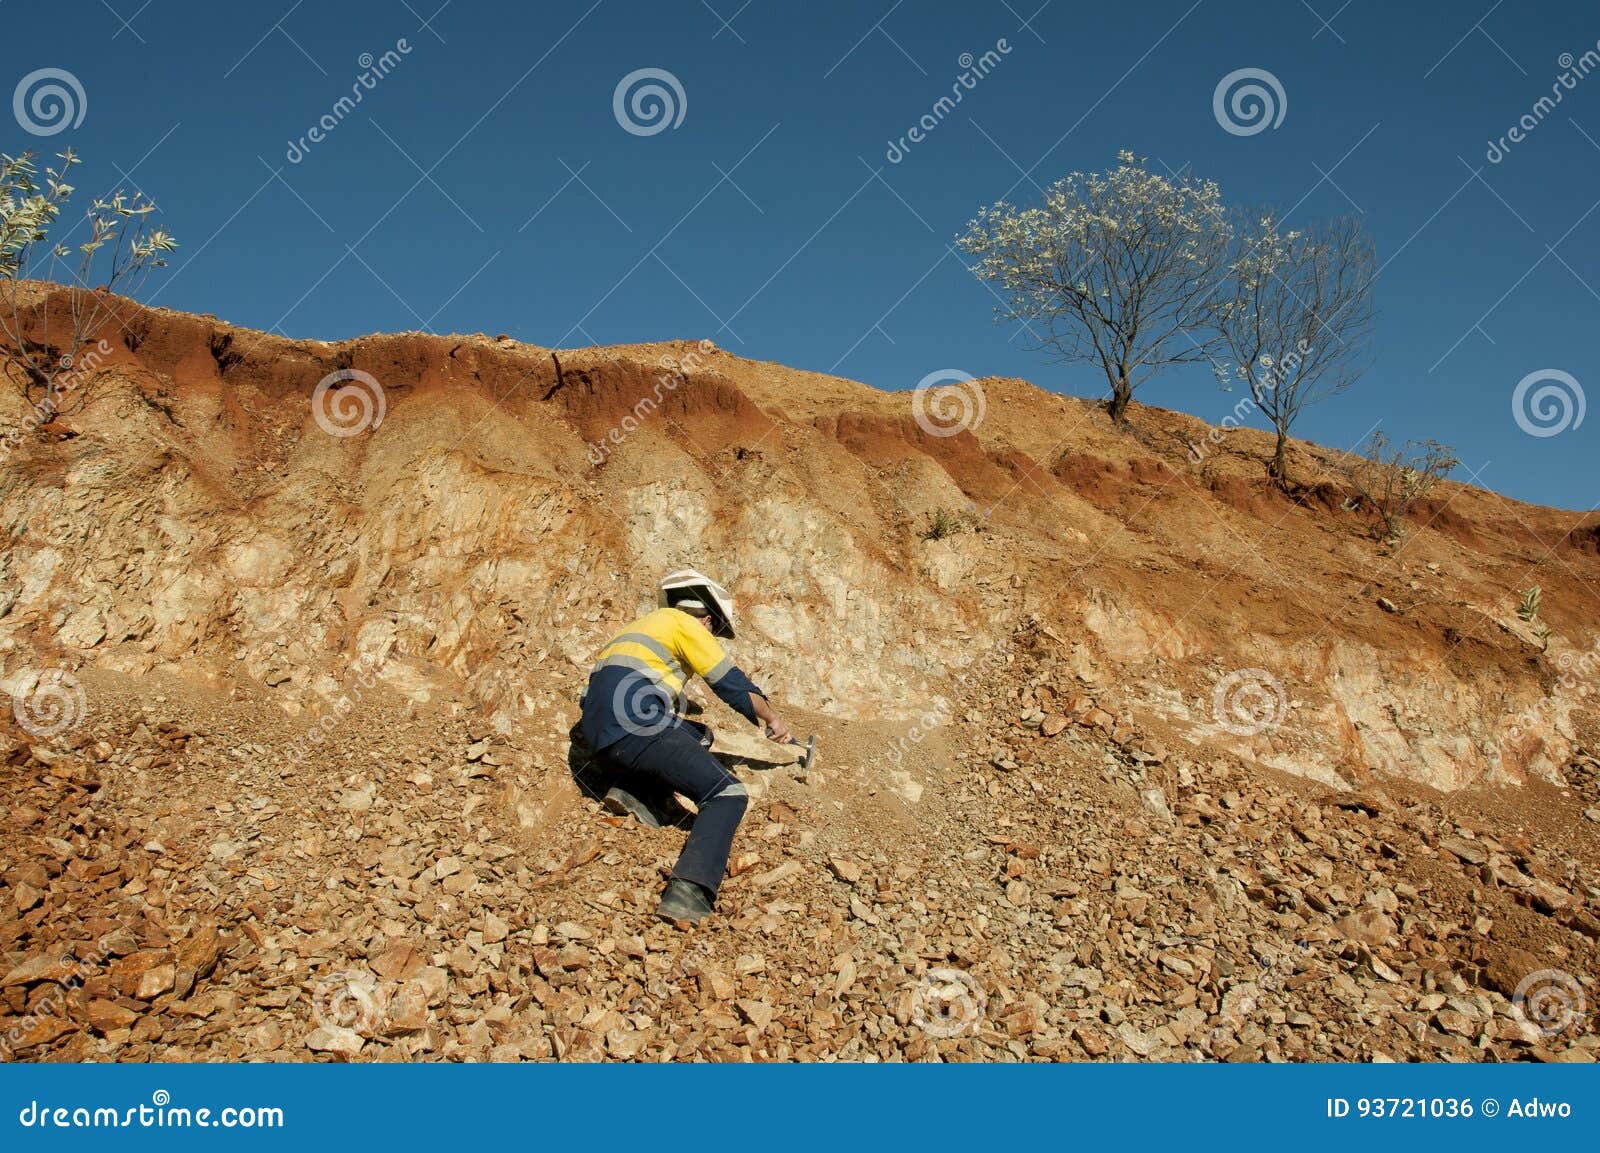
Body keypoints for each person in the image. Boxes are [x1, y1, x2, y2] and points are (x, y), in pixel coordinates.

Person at [579, 569, 790, 923]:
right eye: (714, 630)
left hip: (601, 739)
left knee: (699, 735)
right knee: (728, 794)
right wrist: (773, 719)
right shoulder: (686, 626)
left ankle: (634, 792)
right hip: (635, 727)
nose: (711, 636)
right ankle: (689, 891)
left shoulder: (637, 628)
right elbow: (731, 684)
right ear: (707, 619)